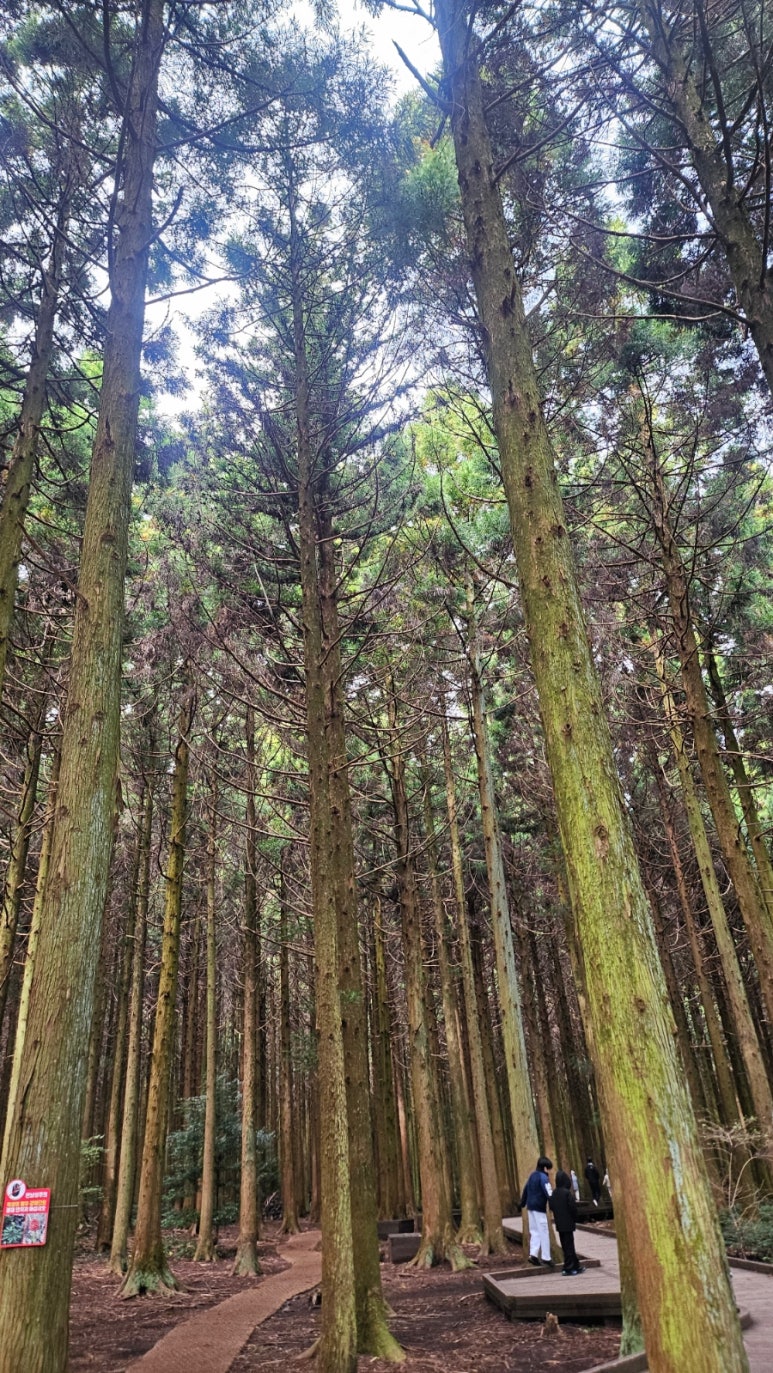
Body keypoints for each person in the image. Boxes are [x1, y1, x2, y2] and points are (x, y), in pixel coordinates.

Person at [519, 1155, 554, 1267]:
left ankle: (533, 1254)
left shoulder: (532, 1176)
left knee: (534, 1231)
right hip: (539, 1208)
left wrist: (522, 1203)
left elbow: (525, 1190)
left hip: (530, 1207)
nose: (548, 1171)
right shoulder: (543, 1177)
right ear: (544, 1168)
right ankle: (546, 1257)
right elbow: (548, 1191)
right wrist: (553, 1204)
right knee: (543, 1231)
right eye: (548, 1168)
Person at [548, 1170, 584, 1276]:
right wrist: (574, 1217)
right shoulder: (567, 1193)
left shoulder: (554, 1193)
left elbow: (551, 1206)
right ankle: (568, 1267)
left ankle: (575, 1265)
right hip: (568, 1223)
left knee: (565, 1245)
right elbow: (572, 1207)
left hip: (559, 1223)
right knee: (569, 1245)